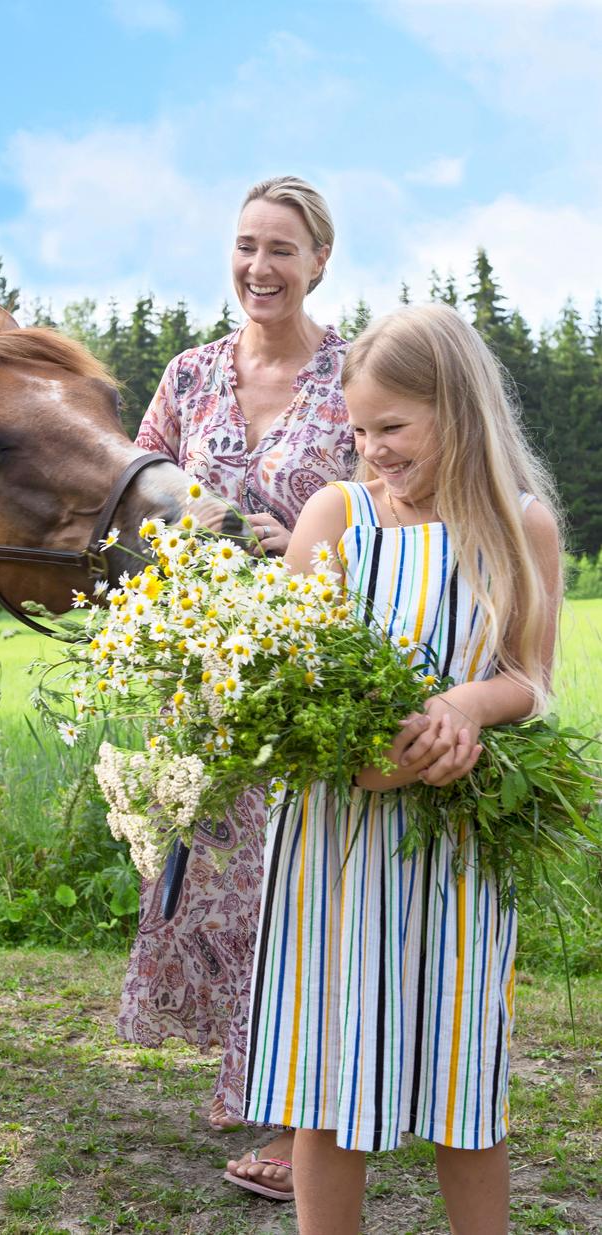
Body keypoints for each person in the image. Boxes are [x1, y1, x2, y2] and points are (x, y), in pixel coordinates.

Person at [238, 303, 562, 1233]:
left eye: (392, 427)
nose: (372, 449)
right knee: (330, 1081)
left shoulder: (520, 526)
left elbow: (528, 679)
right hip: (335, 843)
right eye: (358, 430)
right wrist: (368, 761)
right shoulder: (337, 519)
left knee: (462, 1075)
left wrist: (463, 708)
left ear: (457, 411)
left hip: (455, 845)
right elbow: (290, 689)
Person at [117, 176, 354, 1199]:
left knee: (299, 891)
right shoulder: (191, 372)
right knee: (215, 892)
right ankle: (267, 1094)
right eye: (247, 245)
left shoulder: (354, 372)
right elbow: (132, 489)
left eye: (283, 250)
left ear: (319, 262)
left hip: (317, 668)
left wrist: (301, 538)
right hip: (206, 675)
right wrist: (190, 531)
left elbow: (396, 492)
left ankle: (297, 1119)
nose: (260, 267)